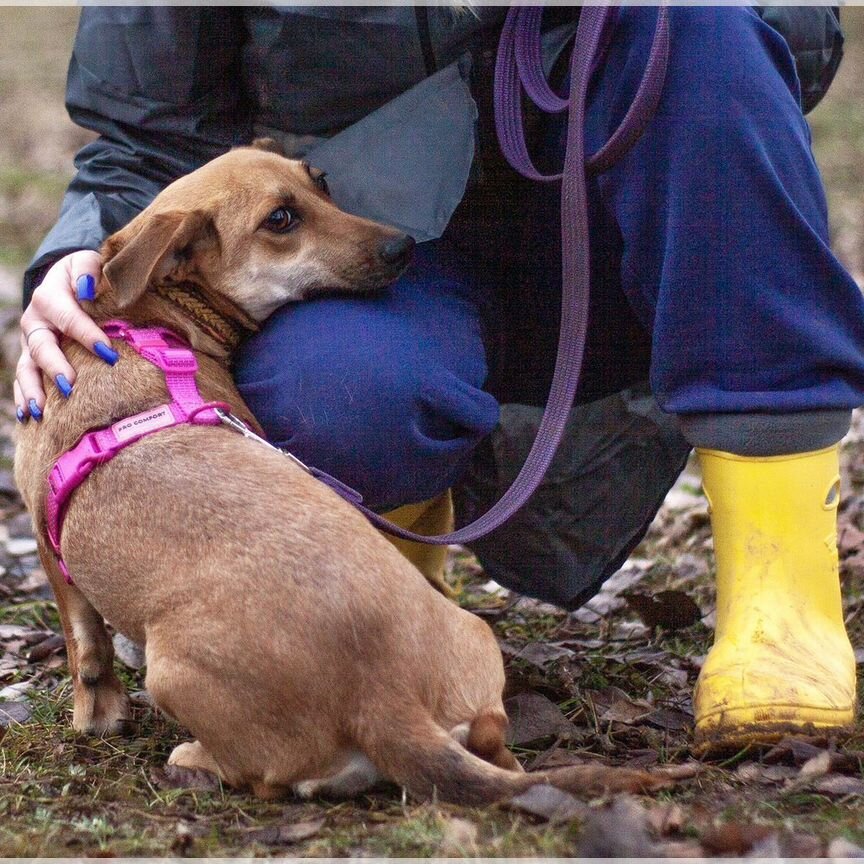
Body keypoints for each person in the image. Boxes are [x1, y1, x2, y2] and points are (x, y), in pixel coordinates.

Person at [17, 7, 864, 750]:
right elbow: (145, 131)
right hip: (387, 254)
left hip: (631, 219)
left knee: (707, 35)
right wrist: (80, 257)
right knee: (335, 397)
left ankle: (782, 602)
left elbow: (796, 44)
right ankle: (378, 585)